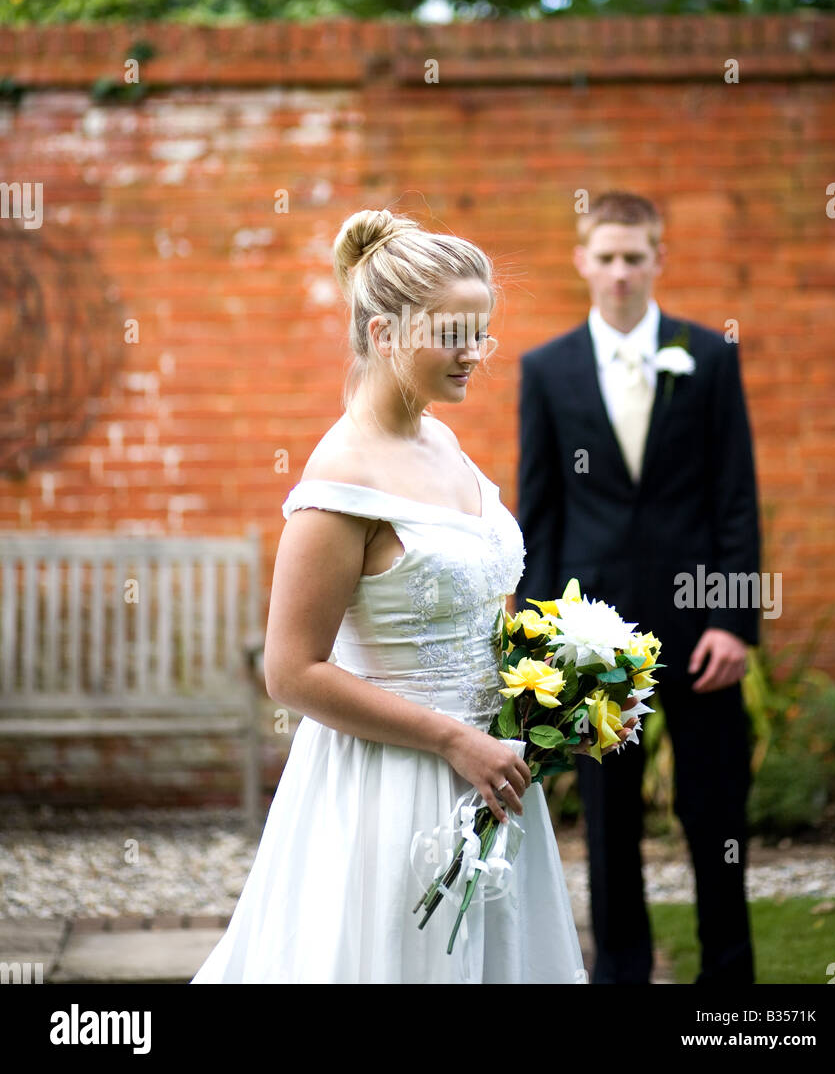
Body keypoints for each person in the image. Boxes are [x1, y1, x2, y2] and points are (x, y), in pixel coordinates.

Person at [190, 206, 632, 985]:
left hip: (491, 772)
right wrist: (451, 739)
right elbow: (291, 673)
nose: (475, 355)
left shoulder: (443, 440)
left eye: (481, 332)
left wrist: (560, 690)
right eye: (453, 334)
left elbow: (478, 607)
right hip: (388, 790)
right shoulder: (338, 486)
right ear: (385, 334)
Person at [516, 191, 761, 985]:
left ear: (659, 259)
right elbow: (541, 511)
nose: (620, 272)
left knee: (714, 811)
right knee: (610, 819)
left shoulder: (709, 356)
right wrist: (548, 638)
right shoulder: (545, 370)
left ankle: (730, 982)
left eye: (635, 257)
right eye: (606, 256)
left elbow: (735, 495)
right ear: (582, 260)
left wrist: (735, 621)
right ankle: (620, 972)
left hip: (701, 633)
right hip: (597, 635)